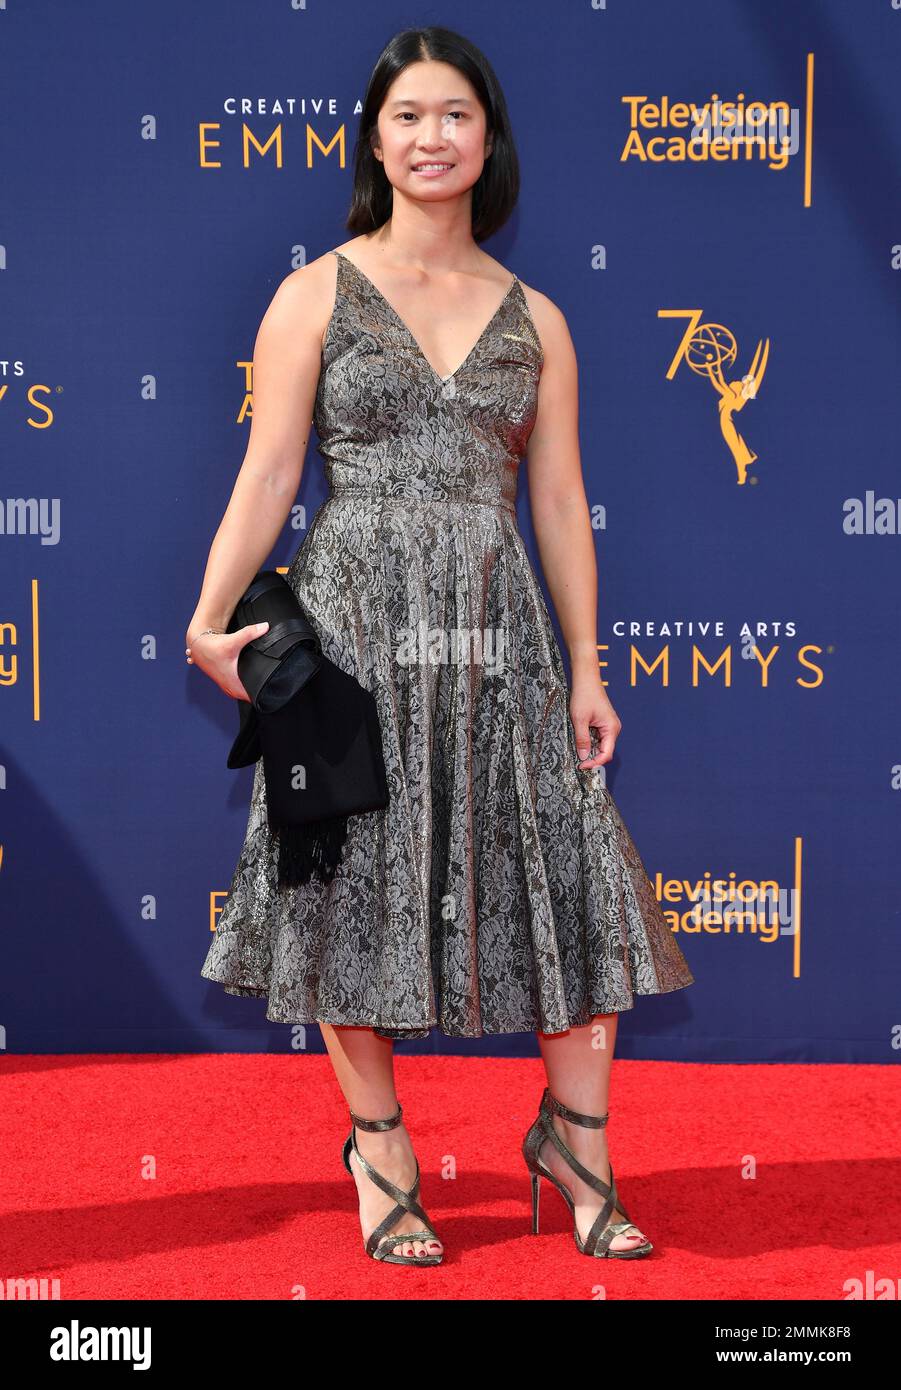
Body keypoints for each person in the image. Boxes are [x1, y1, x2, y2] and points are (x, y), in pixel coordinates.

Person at [186, 25, 694, 1268]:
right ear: (375, 137)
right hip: (357, 628)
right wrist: (210, 617)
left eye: (454, 115)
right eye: (408, 115)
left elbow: (560, 503)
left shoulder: (539, 319)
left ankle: (575, 1143)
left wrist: (587, 664)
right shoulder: (315, 291)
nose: (431, 136)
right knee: (355, 884)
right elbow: (270, 473)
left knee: (568, 878)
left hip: (497, 630)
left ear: (488, 140)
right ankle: (382, 1152)